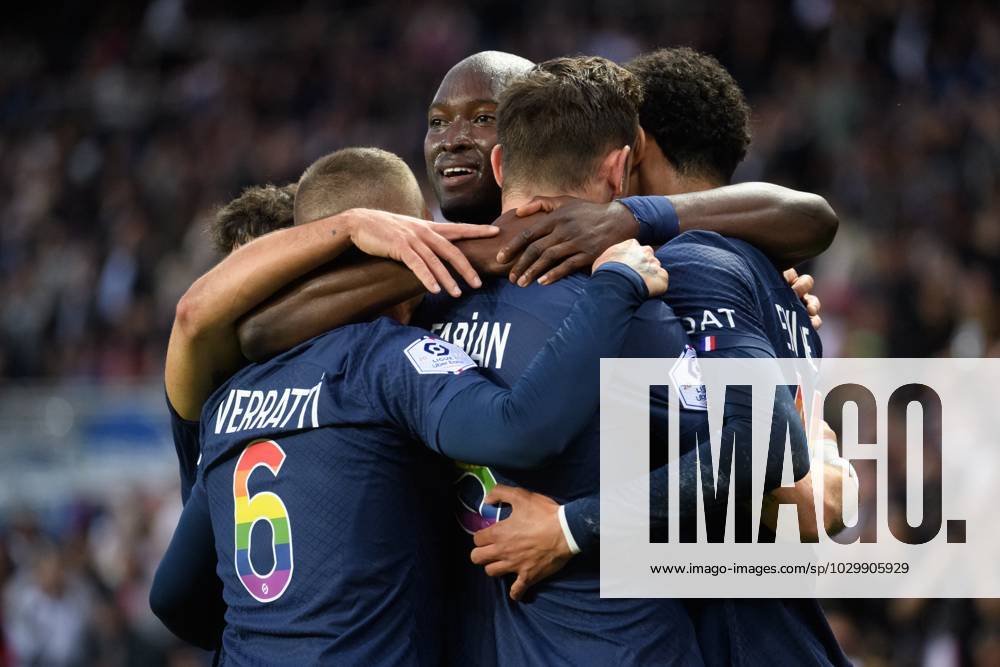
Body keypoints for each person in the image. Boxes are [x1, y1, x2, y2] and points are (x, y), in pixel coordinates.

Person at [151, 144, 670, 664]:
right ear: (416, 233)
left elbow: (171, 596)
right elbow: (521, 429)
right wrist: (617, 285)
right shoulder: (384, 359)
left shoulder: (225, 400)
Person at [472, 48, 853, 666]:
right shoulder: (770, 275)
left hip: (736, 638)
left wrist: (570, 526)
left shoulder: (691, 265)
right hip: (783, 628)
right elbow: (812, 490)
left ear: (632, 148)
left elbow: (777, 470)